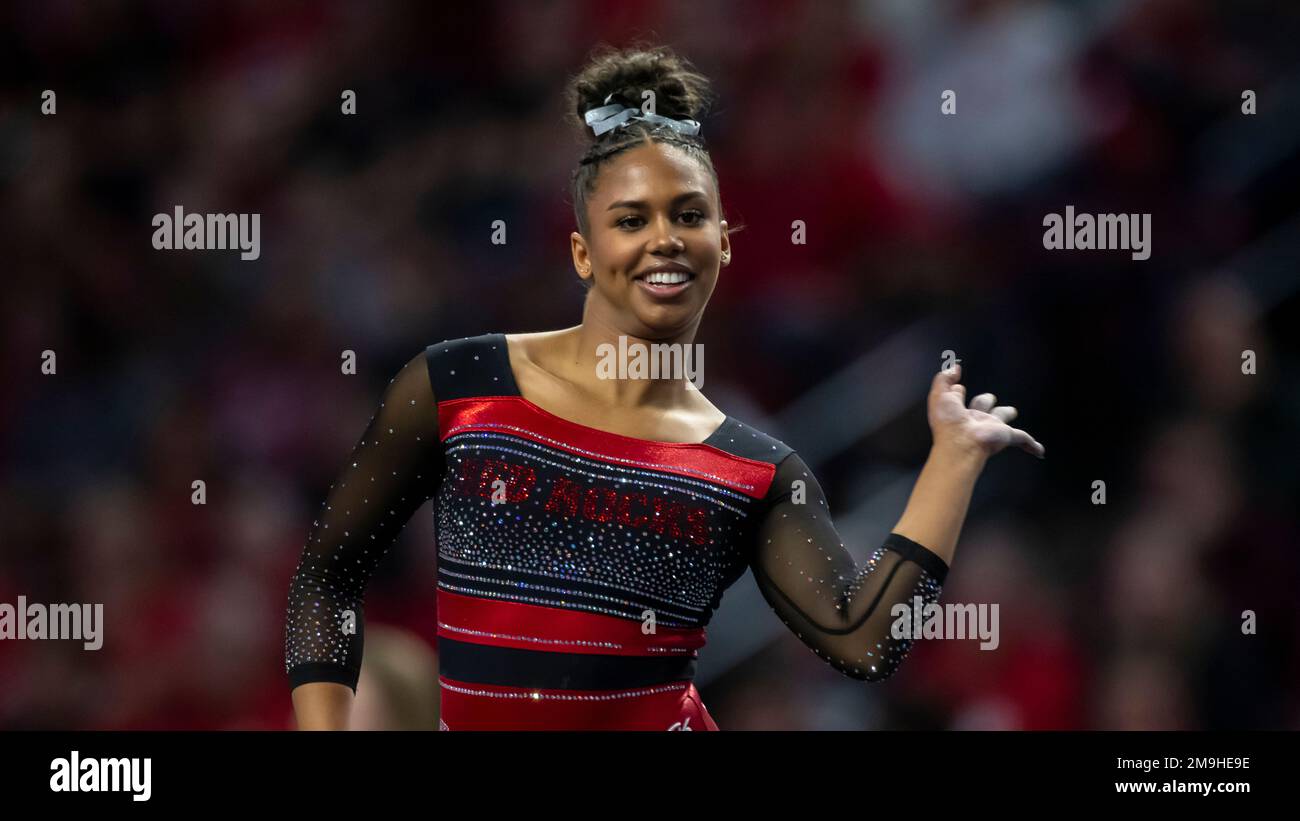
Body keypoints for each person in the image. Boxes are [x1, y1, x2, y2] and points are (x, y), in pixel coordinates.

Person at [284, 44, 1044, 731]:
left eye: (689, 216)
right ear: (582, 250)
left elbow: (862, 636)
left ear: (722, 247)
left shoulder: (753, 468)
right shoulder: (458, 384)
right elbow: (329, 572)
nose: (664, 240)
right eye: (631, 218)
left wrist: (952, 458)